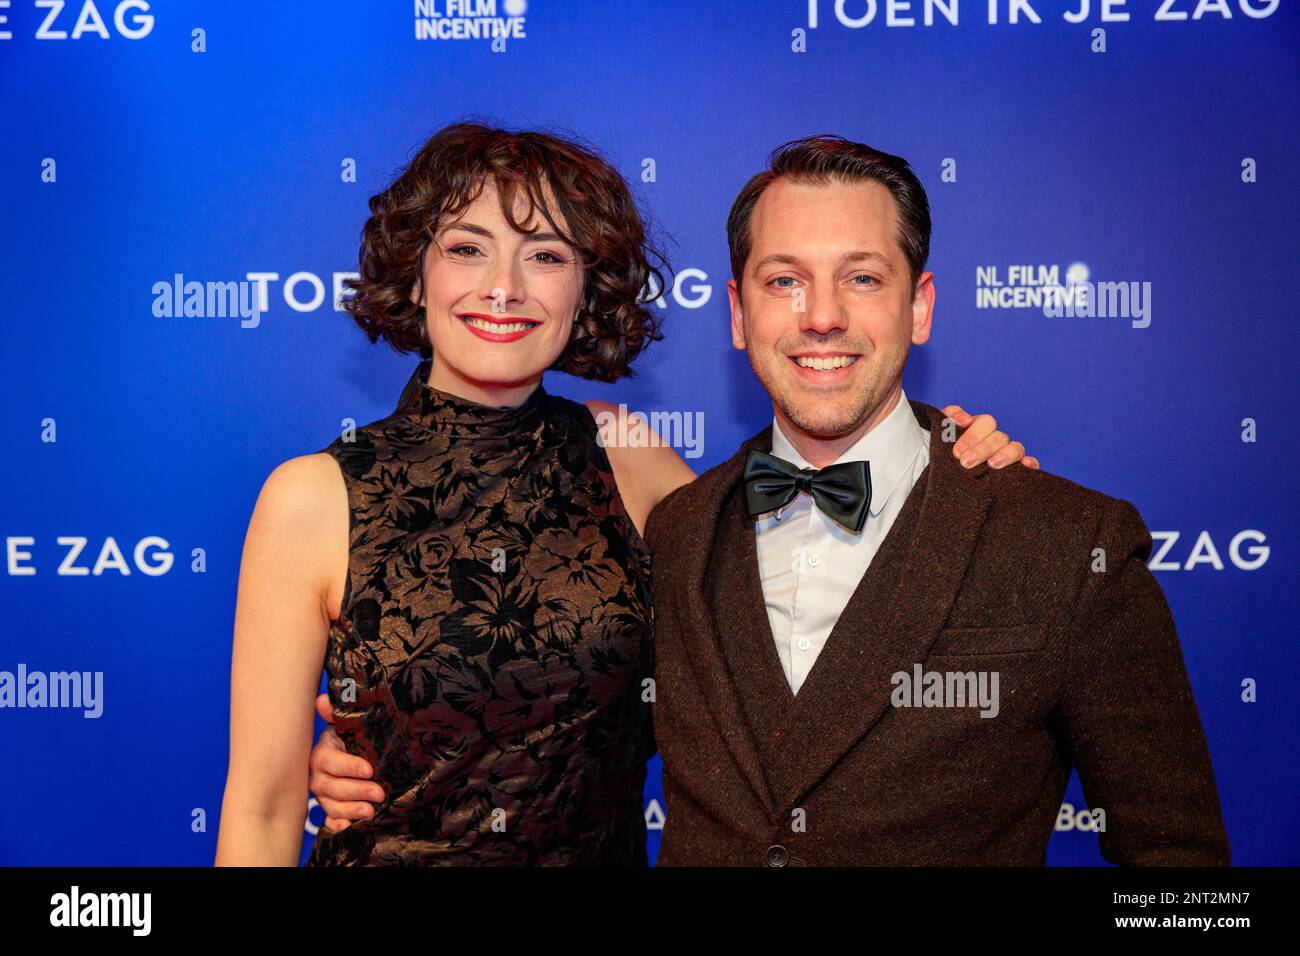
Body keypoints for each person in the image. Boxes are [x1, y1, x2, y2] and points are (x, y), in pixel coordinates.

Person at [227, 123, 1034, 866]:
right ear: (417, 272)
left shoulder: (625, 453)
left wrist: (941, 449)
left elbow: (802, 579)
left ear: (585, 287)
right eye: (468, 249)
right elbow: (263, 811)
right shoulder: (314, 496)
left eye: (544, 255)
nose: (503, 287)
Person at [641, 134, 1230, 865]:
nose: (820, 316)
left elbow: (1183, 869)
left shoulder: (1071, 545)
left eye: (861, 279)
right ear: (737, 314)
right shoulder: (677, 532)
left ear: (919, 307)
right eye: (784, 281)